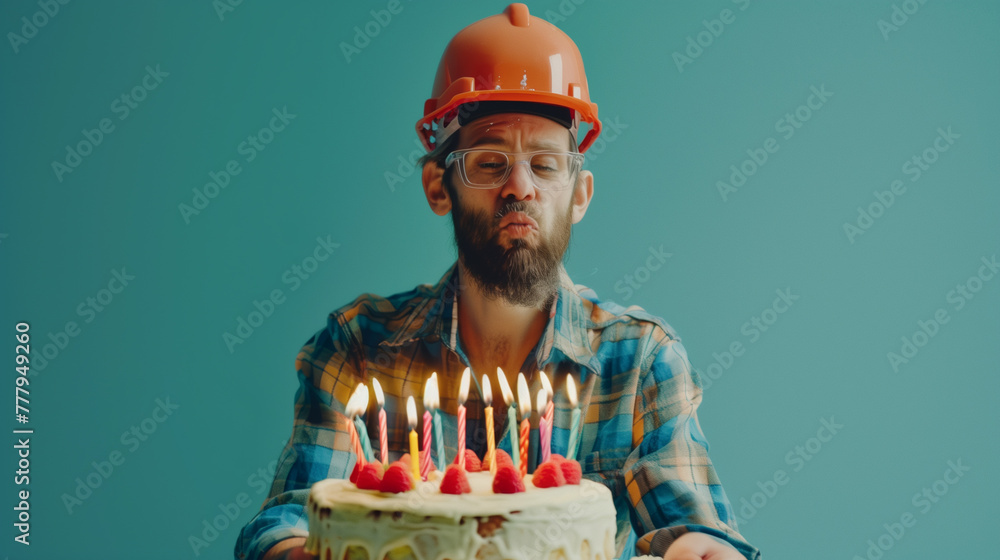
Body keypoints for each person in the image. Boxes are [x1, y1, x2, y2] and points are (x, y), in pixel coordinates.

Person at [235, 4, 760, 560]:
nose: (519, 187)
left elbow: (692, 530)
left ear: (579, 196)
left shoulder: (639, 361)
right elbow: (290, 519)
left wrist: (701, 552)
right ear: (438, 187)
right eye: (488, 162)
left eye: (545, 164)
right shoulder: (358, 348)